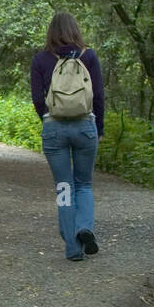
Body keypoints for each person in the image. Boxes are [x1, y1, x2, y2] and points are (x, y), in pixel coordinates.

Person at [30, 13, 105, 262]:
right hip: (85, 127)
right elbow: (98, 97)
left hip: (54, 129)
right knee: (83, 184)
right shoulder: (89, 56)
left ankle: (73, 248)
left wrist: (49, 121)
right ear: (75, 29)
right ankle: (84, 227)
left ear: (50, 31)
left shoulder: (40, 59)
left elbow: (38, 99)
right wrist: (99, 128)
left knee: (64, 186)